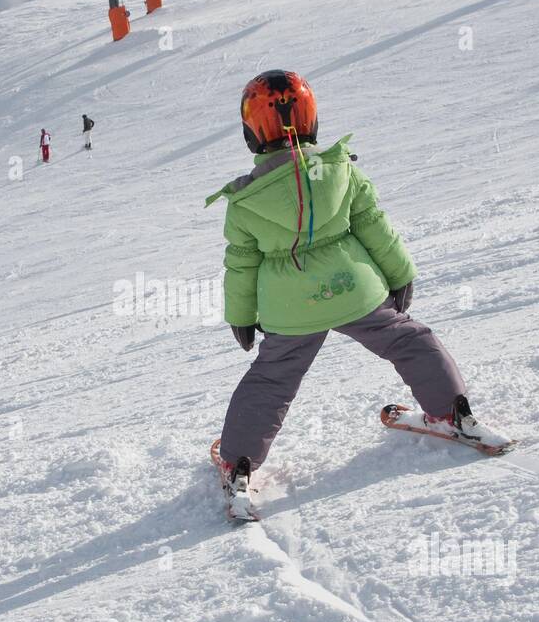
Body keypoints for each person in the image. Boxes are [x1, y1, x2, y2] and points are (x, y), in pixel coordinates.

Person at [205, 70, 507, 519]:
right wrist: (400, 274)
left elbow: (242, 264)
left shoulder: (245, 202)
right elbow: (374, 227)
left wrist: (242, 316)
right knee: (408, 339)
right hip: (354, 290)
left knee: (272, 379)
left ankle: (240, 465)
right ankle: (454, 413)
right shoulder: (342, 171)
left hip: (291, 311)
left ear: (252, 134)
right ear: (312, 123)